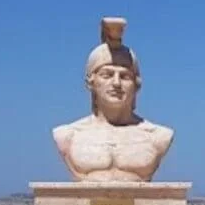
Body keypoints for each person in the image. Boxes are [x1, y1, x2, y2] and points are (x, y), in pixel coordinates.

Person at [52, 17, 174, 182]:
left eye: (124, 76)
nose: (116, 83)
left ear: (136, 85)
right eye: (107, 75)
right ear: (91, 83)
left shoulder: (158, 136)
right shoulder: (67, 135)